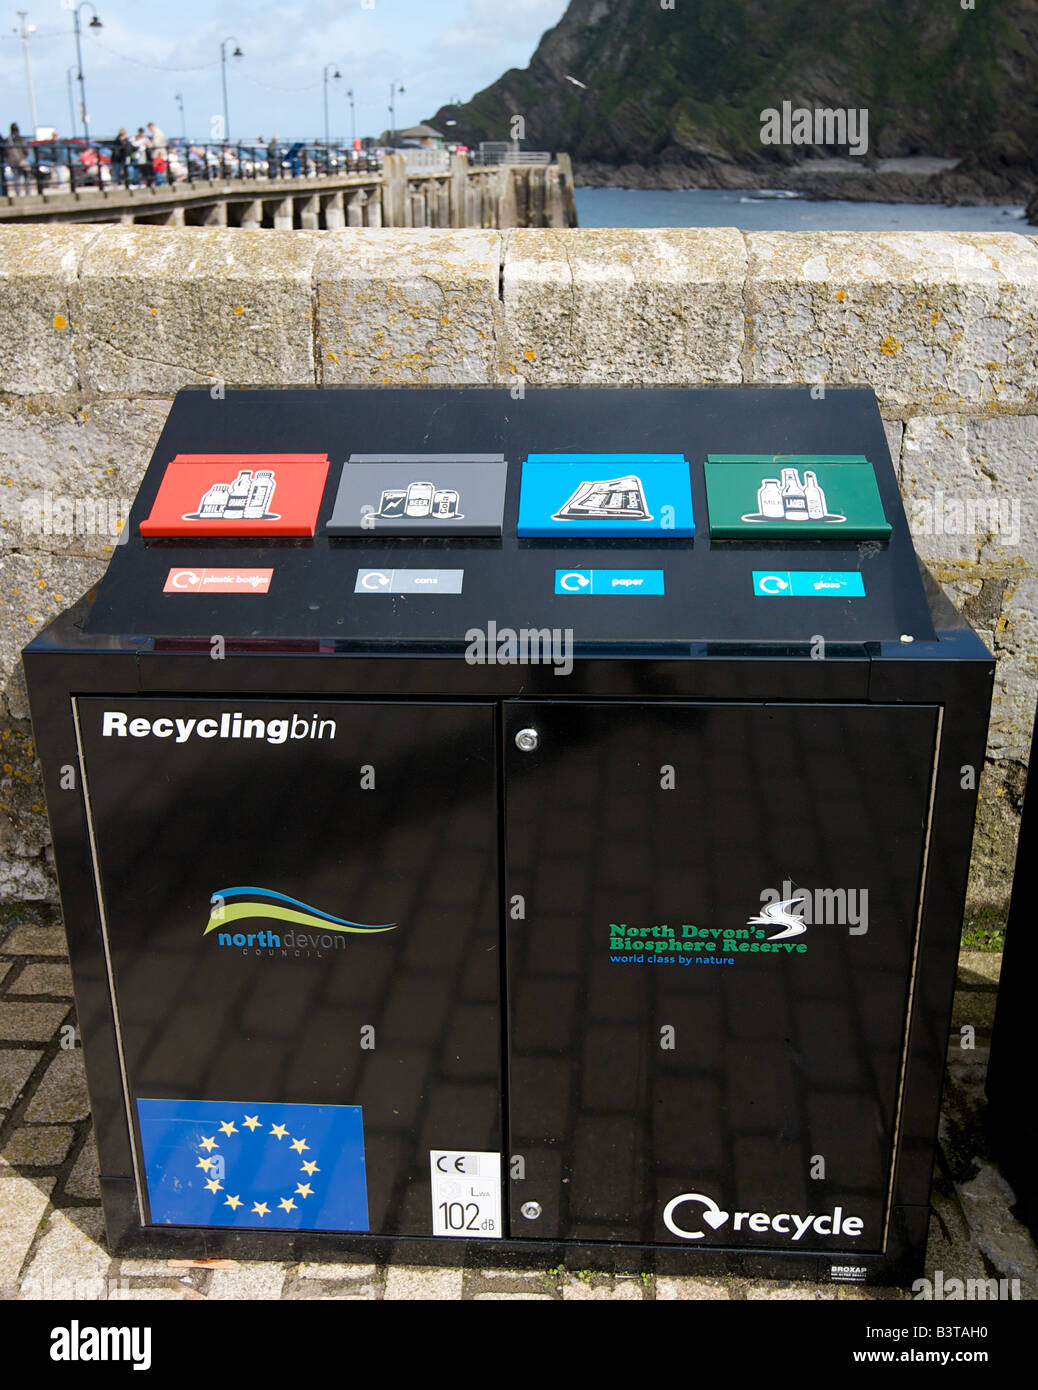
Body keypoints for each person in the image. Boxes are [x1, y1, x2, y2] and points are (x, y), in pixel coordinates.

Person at [6, 123, 31, 194]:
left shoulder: (8, 140)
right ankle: (28, 192)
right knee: (26, 177)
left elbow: (6, 152)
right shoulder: (20, 139)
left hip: (13, 161)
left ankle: (18, 193)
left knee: (16, 178)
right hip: (22, 160)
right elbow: (26, 150)